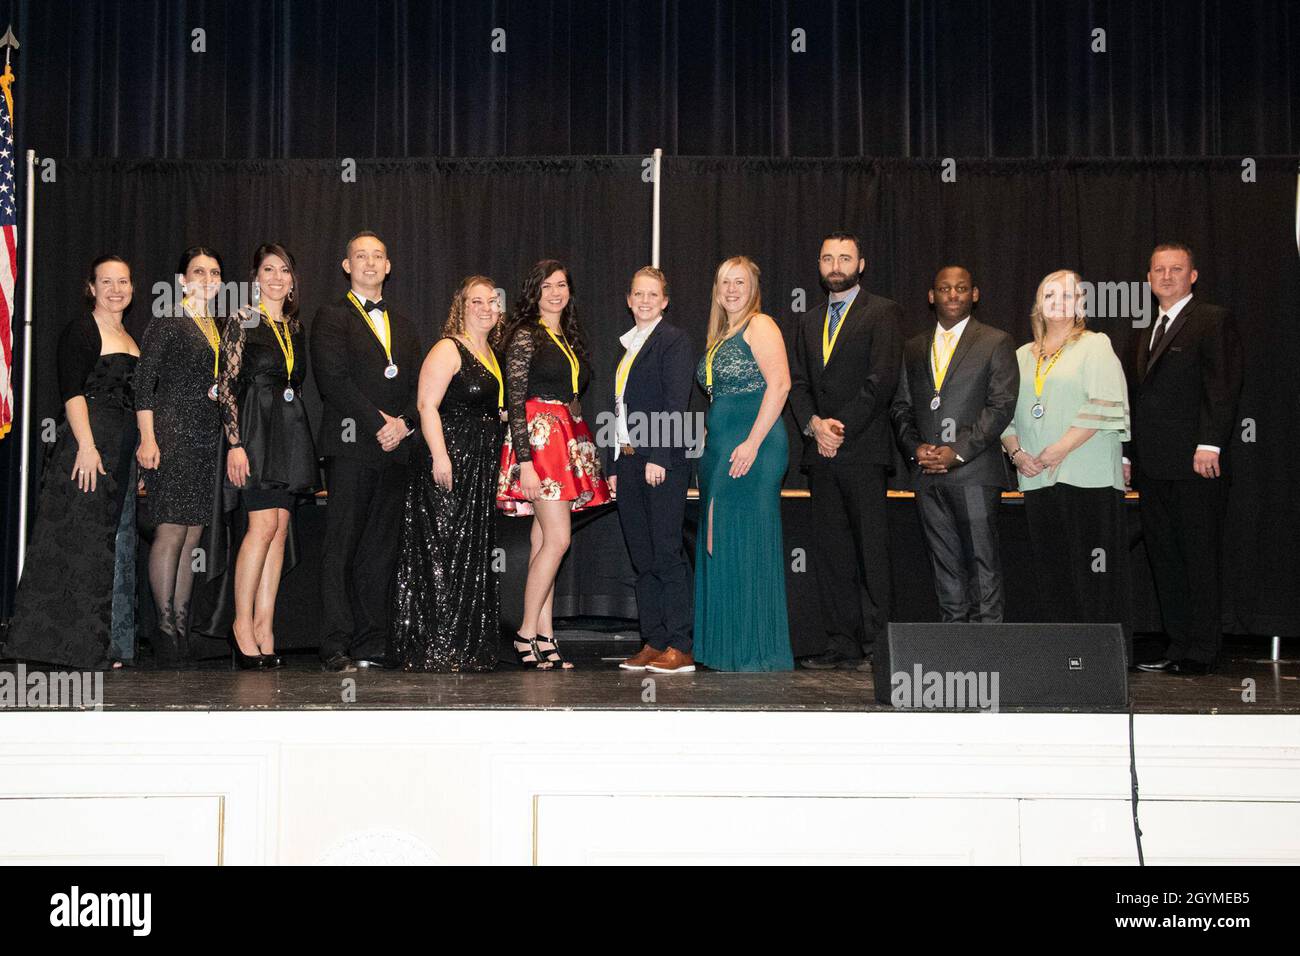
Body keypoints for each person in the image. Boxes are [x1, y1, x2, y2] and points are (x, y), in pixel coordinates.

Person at [3, 256, 140, 670]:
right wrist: (86, 445)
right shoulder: (82, 329)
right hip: (89, 449)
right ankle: (70, 647)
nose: (116, 289)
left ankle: (105, 644)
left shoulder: (129, 336)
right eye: (107, 281)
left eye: (123, 281)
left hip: (119, 450)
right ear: (92, 288)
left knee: (112, 546)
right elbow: (72, 392)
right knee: (81, 543)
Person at [1000, 270, 1131, 651]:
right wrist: (1017, 454)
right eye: (1049, 294)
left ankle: (1103, 661)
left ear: (1081, 305)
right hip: (1038, 479)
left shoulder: (1095, 345)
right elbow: (1002, 415)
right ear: (1038, 303)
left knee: (1094, 574)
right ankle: (1065, 659)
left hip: (1086, 478)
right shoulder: (1021, 356)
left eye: (1067, 295)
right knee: (1053, 574)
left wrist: (1058, 449)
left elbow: (1105, 403)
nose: (1058, 301)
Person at [788, 232, 902, 670]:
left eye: (845, 257)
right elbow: (797, 383)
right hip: (820, 452)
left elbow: (882, 381)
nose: (836, 265)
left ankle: (880, 648)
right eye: (828, 258)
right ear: (818, 265)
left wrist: (841, 427)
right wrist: (814, 425)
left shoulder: (883, 312)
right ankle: (843, 644)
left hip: (864, 451)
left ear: (862, 263)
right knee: (832, 554)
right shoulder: (809, 319)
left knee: (871, 553)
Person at [310, 231, 422, 673]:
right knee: (341, 546)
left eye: (378, 256)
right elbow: (333, 381)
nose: (370, 263)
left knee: (381, 550)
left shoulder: (407, 324)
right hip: (354, 445)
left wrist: (405, 425)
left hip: (397, 451)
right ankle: (334, 642)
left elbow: (420, 385)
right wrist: (380, 425)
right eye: (361, 256)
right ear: (346, 265)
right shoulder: (331, 316)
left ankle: (371, 640)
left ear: (389, 266)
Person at [1131, 243, 1243, 675]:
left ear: (1193, 276)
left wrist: (1210, 444)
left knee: (1199, 556)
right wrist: (1128, 455)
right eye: (1159, 269)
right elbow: (1138, 400)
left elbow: (1223, 386)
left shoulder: (1212, 320)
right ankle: (1177, 644)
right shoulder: (1145, 330)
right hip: (1153, 467)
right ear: (1148, 278)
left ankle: (1203, 649)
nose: (1167, 276)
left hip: (1197, 464)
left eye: (1176, 269)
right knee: (1165, 557)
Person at [497, 260, 611, 669]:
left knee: (543, 542)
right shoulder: (526, 335)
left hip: (564, 437)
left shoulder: (565, 336)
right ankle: (526, 632)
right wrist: (525, 462)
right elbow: (513, 399)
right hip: (538, 441)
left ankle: (544, 635)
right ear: (534, 292)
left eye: (562, 284)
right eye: (547, 286)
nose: (556, 292)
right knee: (559, 539)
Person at [890, 266, 1019, 622]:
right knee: (943, 562)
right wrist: (915, 447)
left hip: (974, 471)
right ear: (931, 296)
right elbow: (901, 406)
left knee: (982, 559)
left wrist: (957, 451)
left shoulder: (996, 341)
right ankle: (955, 643)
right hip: (927, 473)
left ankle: (987, 643)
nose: (953, 294)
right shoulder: (914, 347)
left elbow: (1001, 405)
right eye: (944, 289)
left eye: (961, 288)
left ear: (974, 294)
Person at [389, 277, 505, 672]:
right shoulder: (448, 347)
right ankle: (434, 647)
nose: (486, 307)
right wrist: (440, 456)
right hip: (449, 462)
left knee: (469, 552)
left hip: (479, 467)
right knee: (442, 550)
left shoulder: (490, 351)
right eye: (477, 301)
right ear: (462, 306)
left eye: (492, 301)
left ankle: (464, 645)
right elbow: (426, 405)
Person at [216, 244, 317, 669]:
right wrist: (235, 443)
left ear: (293, 280)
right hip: (254, 434)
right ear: (256, 277)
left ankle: (265, 627)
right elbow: (225, 386)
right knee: (260, 526)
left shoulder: (294, 327)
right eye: (268, 269)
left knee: (278, 527)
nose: (277, 277)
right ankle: (241, 627)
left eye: (284, 270)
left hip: (290, 434)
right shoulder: (243, 321)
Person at [693, 256, 793, 672]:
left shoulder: (761, 325)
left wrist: (752, 441)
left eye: (740, 282)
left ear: (753, 288)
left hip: (757, 443)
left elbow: (781, 384)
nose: (731, 289)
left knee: (742, 537)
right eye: (724, 282)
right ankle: (724, 648)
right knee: (717, 537)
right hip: (721, 445)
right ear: (716, 290)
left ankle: (755, 650)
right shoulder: (720, 335)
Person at [134, 247, 225, 667]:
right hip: (172, 435)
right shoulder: (169, 319)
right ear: (183, 279)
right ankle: (164, 630)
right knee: (170, 530)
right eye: (198, 271)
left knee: (192, 537)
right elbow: (144, 383)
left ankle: (183, 628)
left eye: (214, 272)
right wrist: (148, 440)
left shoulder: (218, 326)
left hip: (208, 439)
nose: (207, 278)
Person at [608, 267, 696, 675]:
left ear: (664, 301)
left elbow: (677, 402)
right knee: (642, 556)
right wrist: (613, 463)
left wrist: (659, 455)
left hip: (660, 461)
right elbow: (620, 412)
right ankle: (653, 639)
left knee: (665, 552)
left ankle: (680, 644)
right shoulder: (627, 347)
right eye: (637, 294)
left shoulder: (673, 341)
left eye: (652, 294)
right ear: (628, 300)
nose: (644, 300)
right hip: (627, 461)